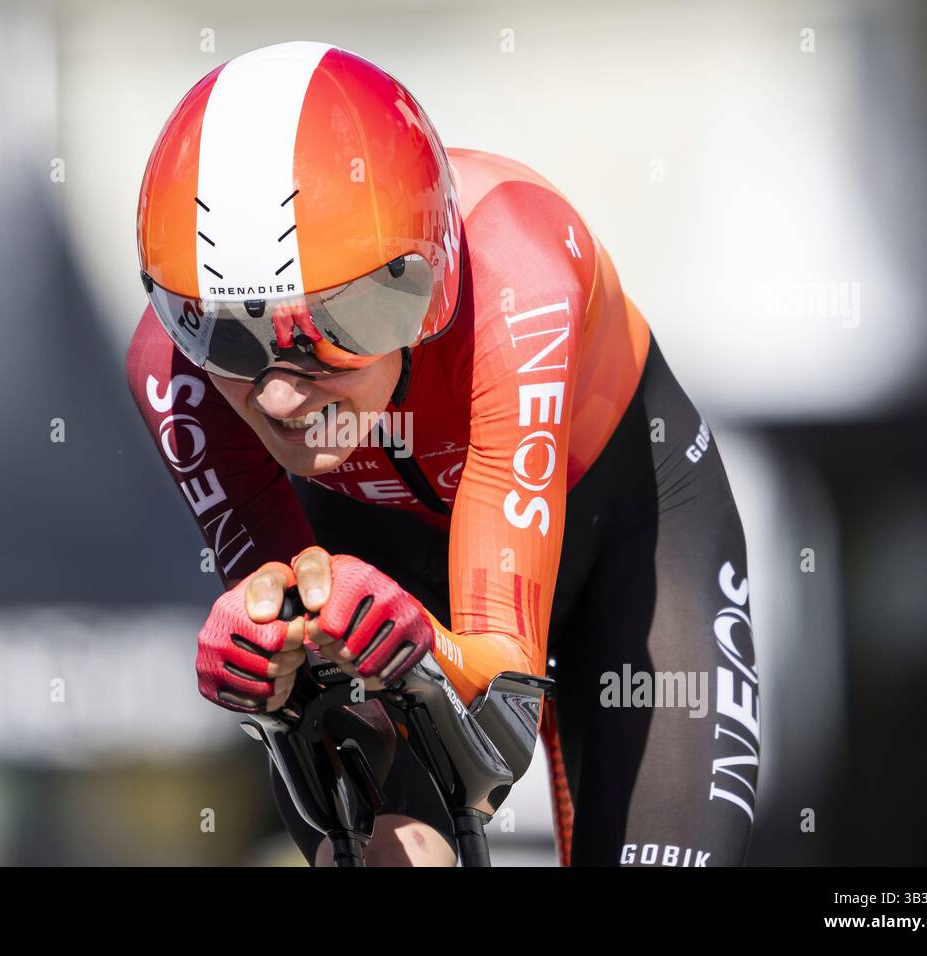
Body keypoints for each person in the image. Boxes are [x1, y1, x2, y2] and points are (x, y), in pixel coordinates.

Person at [128, 41, 759, 866]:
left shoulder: (519, 275)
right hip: (381, 556)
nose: (281, 397)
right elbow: (325, 718)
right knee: (384, 851)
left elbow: (501, 707)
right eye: (222, 335)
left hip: (626, 528)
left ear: (425, 285)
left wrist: (418, 641)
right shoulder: (174, 376)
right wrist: (270, 669)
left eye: (336, 329)